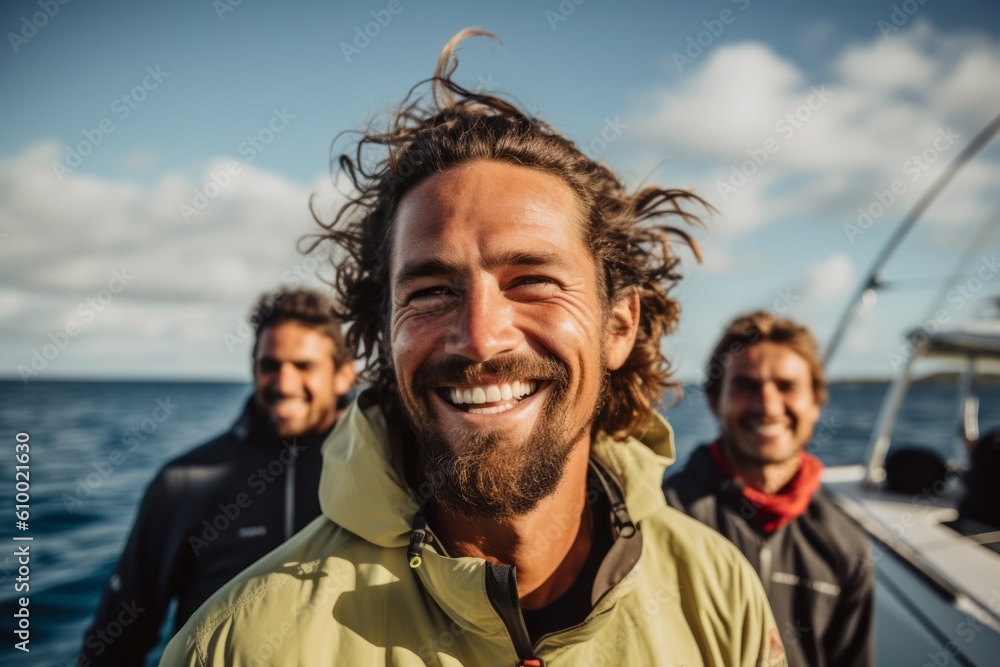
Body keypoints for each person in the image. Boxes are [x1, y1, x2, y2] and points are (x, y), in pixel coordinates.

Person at [161, 31, 787, 667]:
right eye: (432, 291)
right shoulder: (238, 645)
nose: (482, 336)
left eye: (533, 282)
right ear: (384, 335)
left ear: (618, 326)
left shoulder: (719, 593)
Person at [77, 288, 355, 666]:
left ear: (343, 375)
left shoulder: (386, 469)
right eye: (270, 365)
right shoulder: (185, 483)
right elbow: (116, 642)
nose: (284, 384)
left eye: (303, 366)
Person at [664, 311, 874, 667]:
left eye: (787, 386)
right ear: (716, 401)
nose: (768, 405)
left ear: (816, 403)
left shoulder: (844, 544)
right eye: (746, 386)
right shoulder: (662, 517)